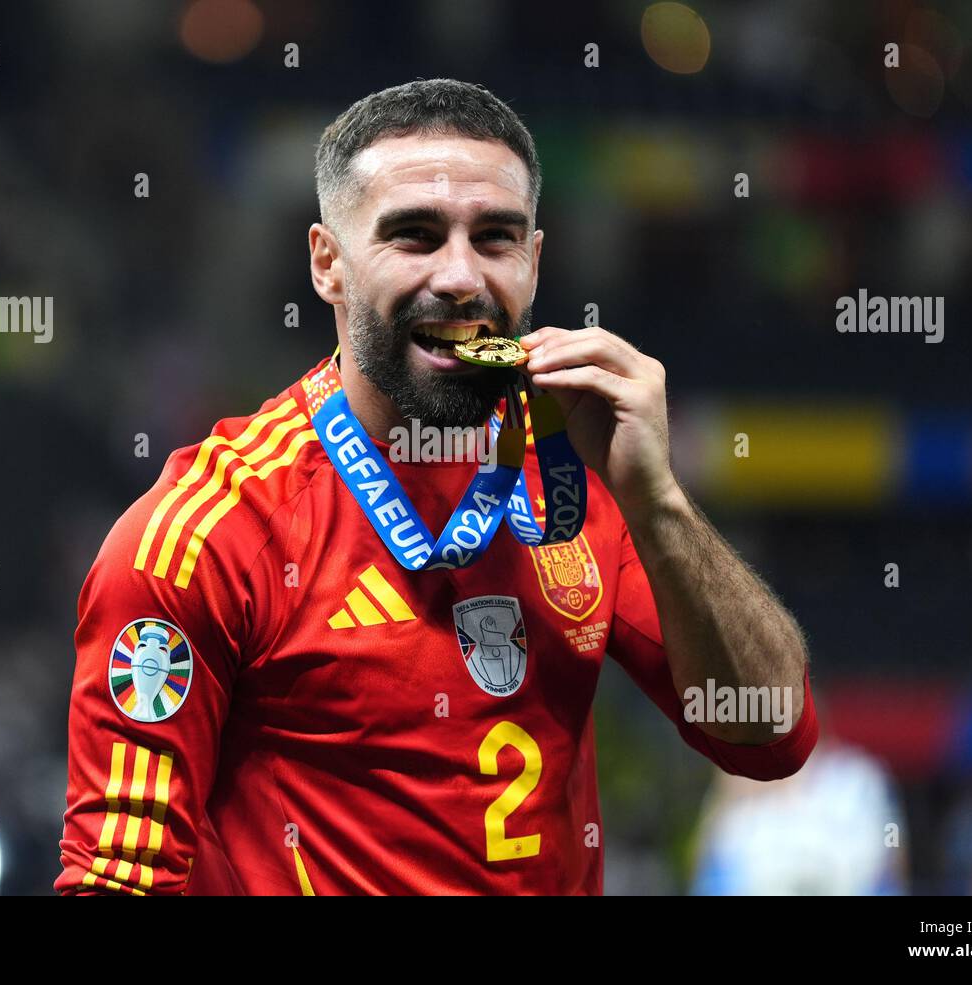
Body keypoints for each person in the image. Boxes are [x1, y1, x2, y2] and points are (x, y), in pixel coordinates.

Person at [56, 78, 818, 895]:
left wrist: (659, 500)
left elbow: (768, 735)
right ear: (328, 265)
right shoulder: (206, 534)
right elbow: (117, 884)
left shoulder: (580, 482)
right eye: (414, 236)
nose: (460, 277)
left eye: (495, 237)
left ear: (533, 260)